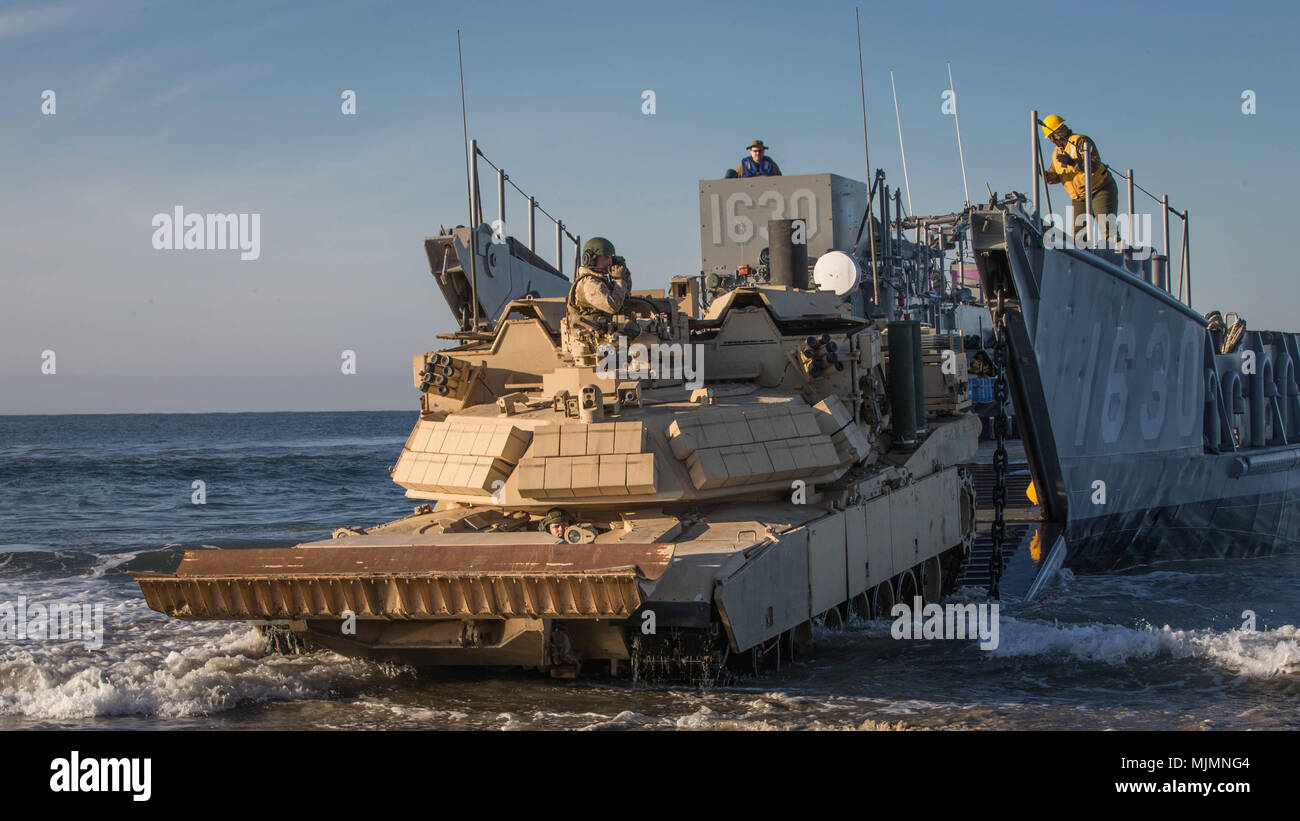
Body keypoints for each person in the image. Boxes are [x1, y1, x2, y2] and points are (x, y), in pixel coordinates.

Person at [1040, 115, 1118, 244]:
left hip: (1100, 189)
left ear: (1058, 134)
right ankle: (1085, 260)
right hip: (1080, 197)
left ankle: (1116, 255)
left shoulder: (1080, 141)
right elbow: (1055, 177)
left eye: (1051, 137)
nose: (1051, 141)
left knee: (1107, 228)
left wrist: (1072, 162)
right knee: (1079, 236)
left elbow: (1093, 165)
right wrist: (1043, 174)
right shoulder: (1057, 153)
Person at [568, 237, 632, 318]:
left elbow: (625, 297)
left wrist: (625, 275)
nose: (610, 262)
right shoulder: (590, 283)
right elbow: (613, 306)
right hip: (590, 330)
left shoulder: (600, 281)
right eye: (606, 257)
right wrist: (619, 280)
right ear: (592, 259)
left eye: (611, 258)